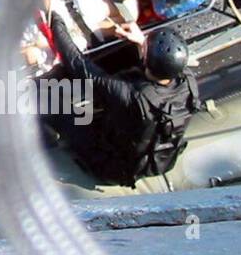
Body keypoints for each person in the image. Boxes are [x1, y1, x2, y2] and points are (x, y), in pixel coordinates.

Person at [48, 16, 202, 187]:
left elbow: (77, 63)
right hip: (144, 152)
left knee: (53, 104)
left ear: (146, 59)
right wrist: (142, 41)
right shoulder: (188, 81)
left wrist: (56, 23)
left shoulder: (131, 96)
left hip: (111, 166)